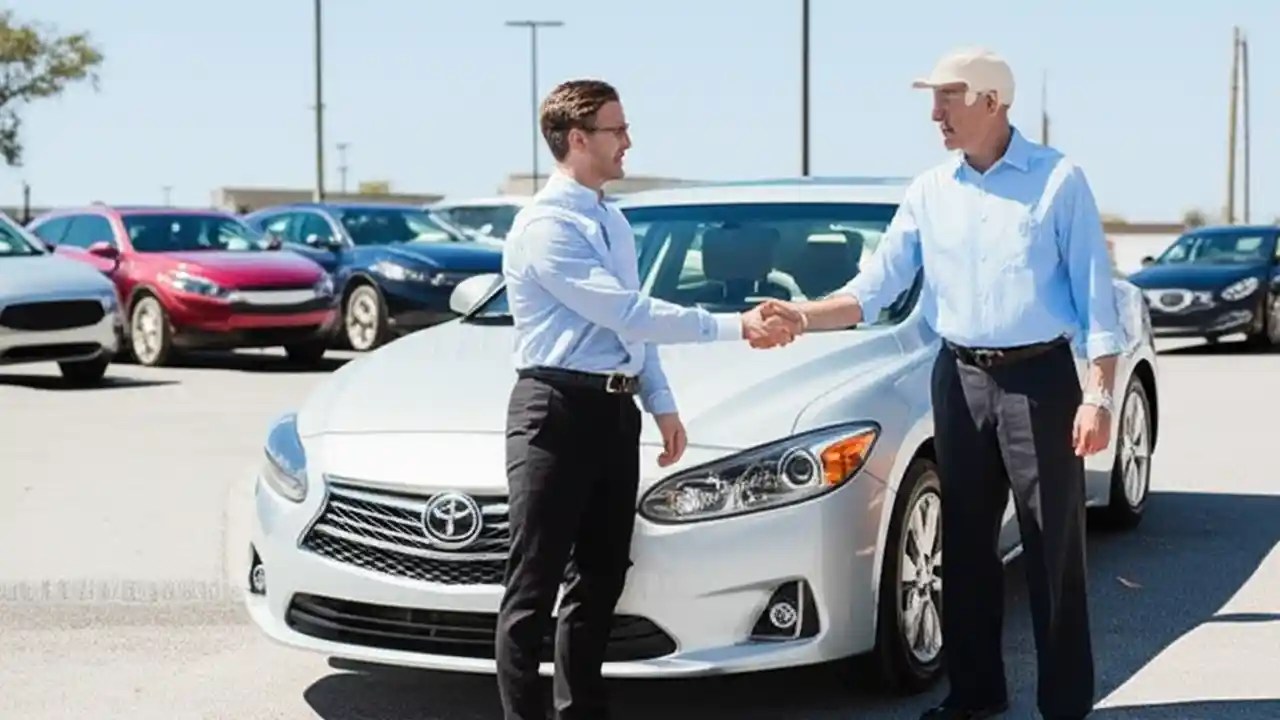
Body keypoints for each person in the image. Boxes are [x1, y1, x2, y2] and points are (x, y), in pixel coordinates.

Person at [757, 48, 1120, 719]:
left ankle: (1065, 705)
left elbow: (1098, 295)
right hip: (958, 379)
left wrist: (1098, 394)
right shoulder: (930, 190)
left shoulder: (1058, 180)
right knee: (967, 548)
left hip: (1041, 383)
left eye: (948, 97)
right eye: (933, 99)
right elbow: (875, 287)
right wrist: (802, 315)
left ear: (991, 101)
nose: (935, 114)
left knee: (1051, 550)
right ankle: (976, 696)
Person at [494, 78, 804, 720]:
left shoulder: (612, 220)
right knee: (533, 587)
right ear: (577, 140)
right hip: (553, 410)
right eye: (617, 130)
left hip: (612, 413)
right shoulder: (546, 228)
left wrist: (660, 404)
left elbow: (629, 335)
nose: (628, 141)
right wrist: (735, 325)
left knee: (601, 578)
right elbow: (629, 313)